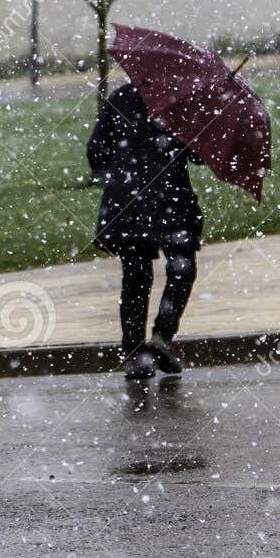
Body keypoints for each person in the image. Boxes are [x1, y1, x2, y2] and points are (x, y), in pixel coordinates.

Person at [87, 82, 202, 382]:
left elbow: (96, 153)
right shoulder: (180, 100)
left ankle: (134, 353)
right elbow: (200, 155)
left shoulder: (120, 98)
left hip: (127, 199)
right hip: (171, 197)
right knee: (181, 265)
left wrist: (124, 169)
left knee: (136, 274)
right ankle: (162, 336)